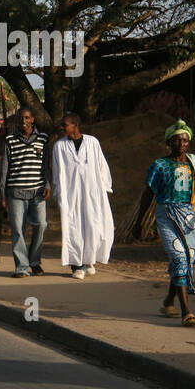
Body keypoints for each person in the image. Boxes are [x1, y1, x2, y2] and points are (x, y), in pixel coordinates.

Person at [132, 121, 195, 326]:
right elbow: (148, 193)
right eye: (177, 139)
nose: (182, 143)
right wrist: (139, 222)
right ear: (169, 142)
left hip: (191, 216)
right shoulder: (159, 165)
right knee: (179, 257)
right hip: (167, 215)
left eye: (185, 140)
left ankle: (168, 301)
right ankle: (186, 311)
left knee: (185, 260)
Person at [51, 113, 114, 279]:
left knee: (93, 226)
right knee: (73, 227)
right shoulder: (59, 146)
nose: (62, 128)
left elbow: (101, 165)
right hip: (71, 194)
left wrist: (104, 188)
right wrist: (59, 192)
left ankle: (89, 260)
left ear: (75, 125)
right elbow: (57, 172)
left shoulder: (92, 142)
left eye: (65, 125)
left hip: (92, 193)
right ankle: (77, 266)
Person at [0, 107, 52, 277]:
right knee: (17, 230)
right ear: (17, 120)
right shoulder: (9, 140)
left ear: (33, 119)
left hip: (37, 191)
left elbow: (46, 166)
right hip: (16, 192)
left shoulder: (43, 138)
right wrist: (3, 195)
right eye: (21, 118)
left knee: (41, 225)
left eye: (27, 118)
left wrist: (47, 185)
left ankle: (35, 262)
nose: (24, 121)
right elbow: (5, 170)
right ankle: (22, 267)